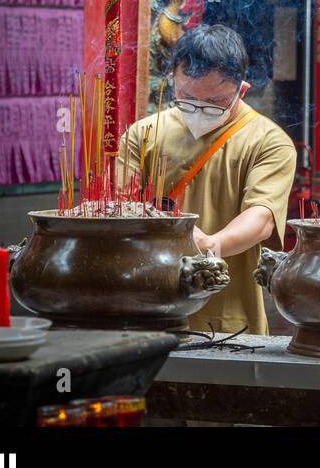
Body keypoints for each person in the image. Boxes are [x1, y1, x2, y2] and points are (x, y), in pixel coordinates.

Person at [120, 24, 296, 335]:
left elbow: (262, 217)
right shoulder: (143, 133)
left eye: (215, 102)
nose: (199, 109)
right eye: (187, 97)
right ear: (173, 80)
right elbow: (118, 205)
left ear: (240, 90)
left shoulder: (269, 141)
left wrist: (212, 245)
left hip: (227, 319)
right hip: (145, 311)